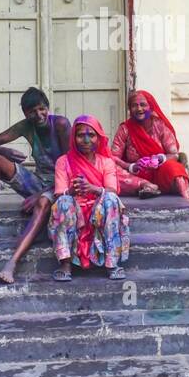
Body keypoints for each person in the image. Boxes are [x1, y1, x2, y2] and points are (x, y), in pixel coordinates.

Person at [0, 87, 72, 286]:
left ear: (47, 108)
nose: (38, 115)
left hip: (62, 188)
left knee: (42, 202)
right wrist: (3, 149)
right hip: (40, 183)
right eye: (32, 111)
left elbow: (70, 168)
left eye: (42, 109)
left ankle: (12, 262)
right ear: (26, 113)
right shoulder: (26, 126)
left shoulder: (60, 124)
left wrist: (40, 195)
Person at [48, 116, 131, 282]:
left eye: (91, 135)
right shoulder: (63, 162)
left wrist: (93, 189)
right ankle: (65, 263)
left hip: (99, 213)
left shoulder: (106, 162)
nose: (86, 140)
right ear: (73, 137)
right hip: (75, 214)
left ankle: (112, 263)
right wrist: (71, 191)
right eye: (80, 135)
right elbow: (58, 194)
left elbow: (112, 190)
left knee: (111, 199)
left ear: (98, 137)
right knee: (63, 202)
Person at [111, 89, 189, 202]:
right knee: (110, 171)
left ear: (151, 106)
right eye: (134, 105)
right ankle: (146, 186)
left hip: (159, 174)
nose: (139, 109)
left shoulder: (160, 126)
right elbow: (113, 158)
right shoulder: (125, 129)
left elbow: (174, 154)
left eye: (143, 105)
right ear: (130, 109)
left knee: (175, 168)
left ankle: (188, 201)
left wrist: (160, 159)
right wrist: (131, 166)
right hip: (135, 177)